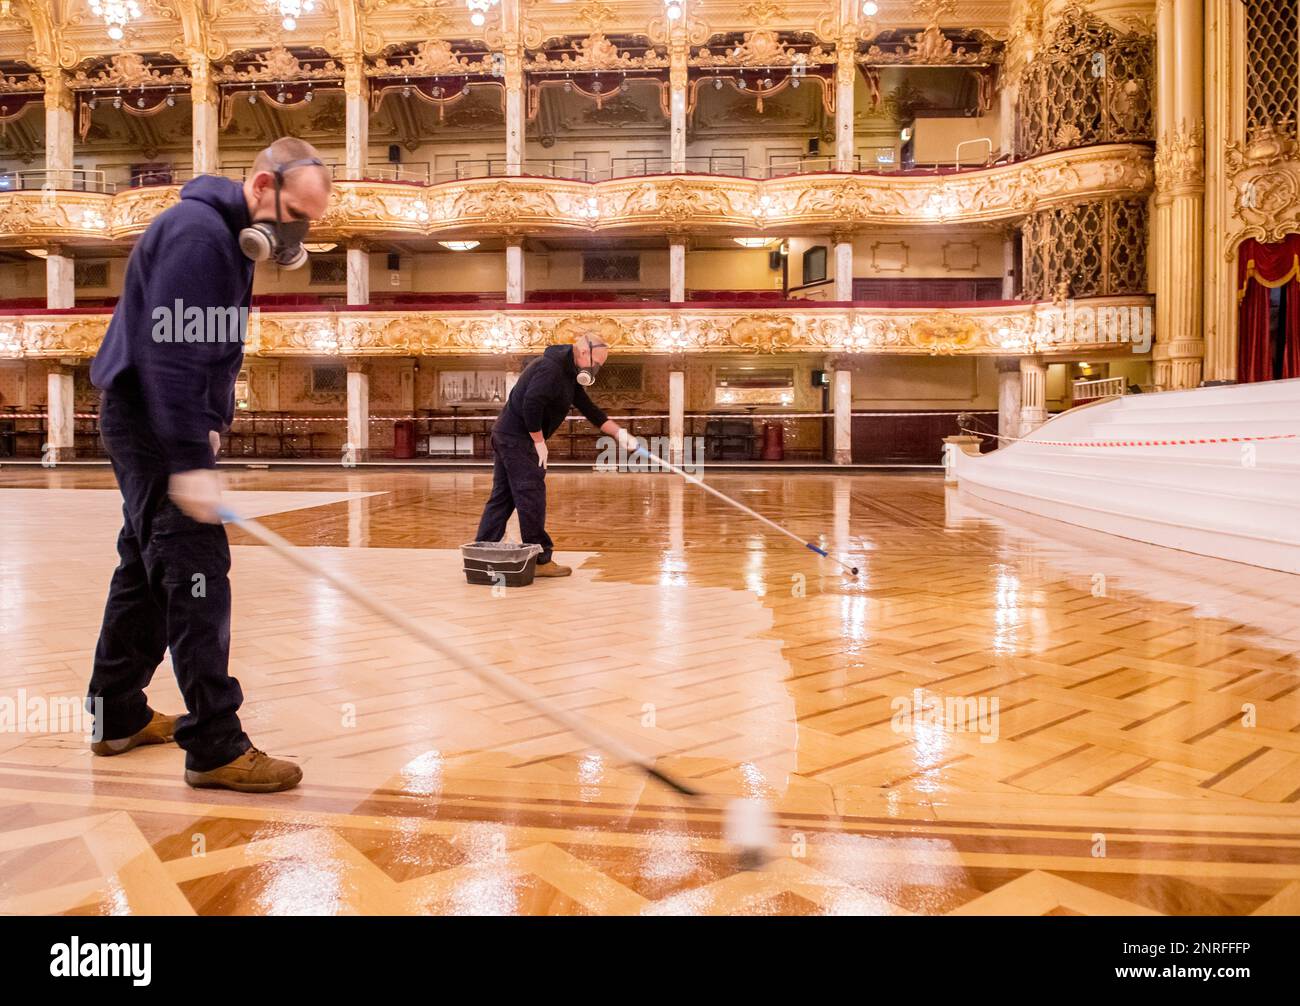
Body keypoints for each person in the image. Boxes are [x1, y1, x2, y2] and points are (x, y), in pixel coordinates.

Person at [86, 138, 332, 792]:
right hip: (152, 420)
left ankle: (117, 714)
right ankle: (216, 745)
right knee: (197, 572)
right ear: (260, 186)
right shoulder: (201, 239)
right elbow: (171, 359)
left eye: (310, 220)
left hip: (155, 420)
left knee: (144, 567)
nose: (298, 232)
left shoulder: (221, 235)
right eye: (296, 213)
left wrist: (208, 427)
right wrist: (192, 456)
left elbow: (202, 351)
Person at [475, 335, 637, 577]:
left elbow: (588, 408)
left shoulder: (568, 373)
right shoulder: (550, 369)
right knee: (531, 497)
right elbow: (531, 404)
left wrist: (618, 433)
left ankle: (481, 552)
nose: (596, 368)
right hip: (518, 439)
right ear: (583, 352)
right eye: (597, 363)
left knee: (504, 496)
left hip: (509, 435)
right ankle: (540, 560)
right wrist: (538, 441)